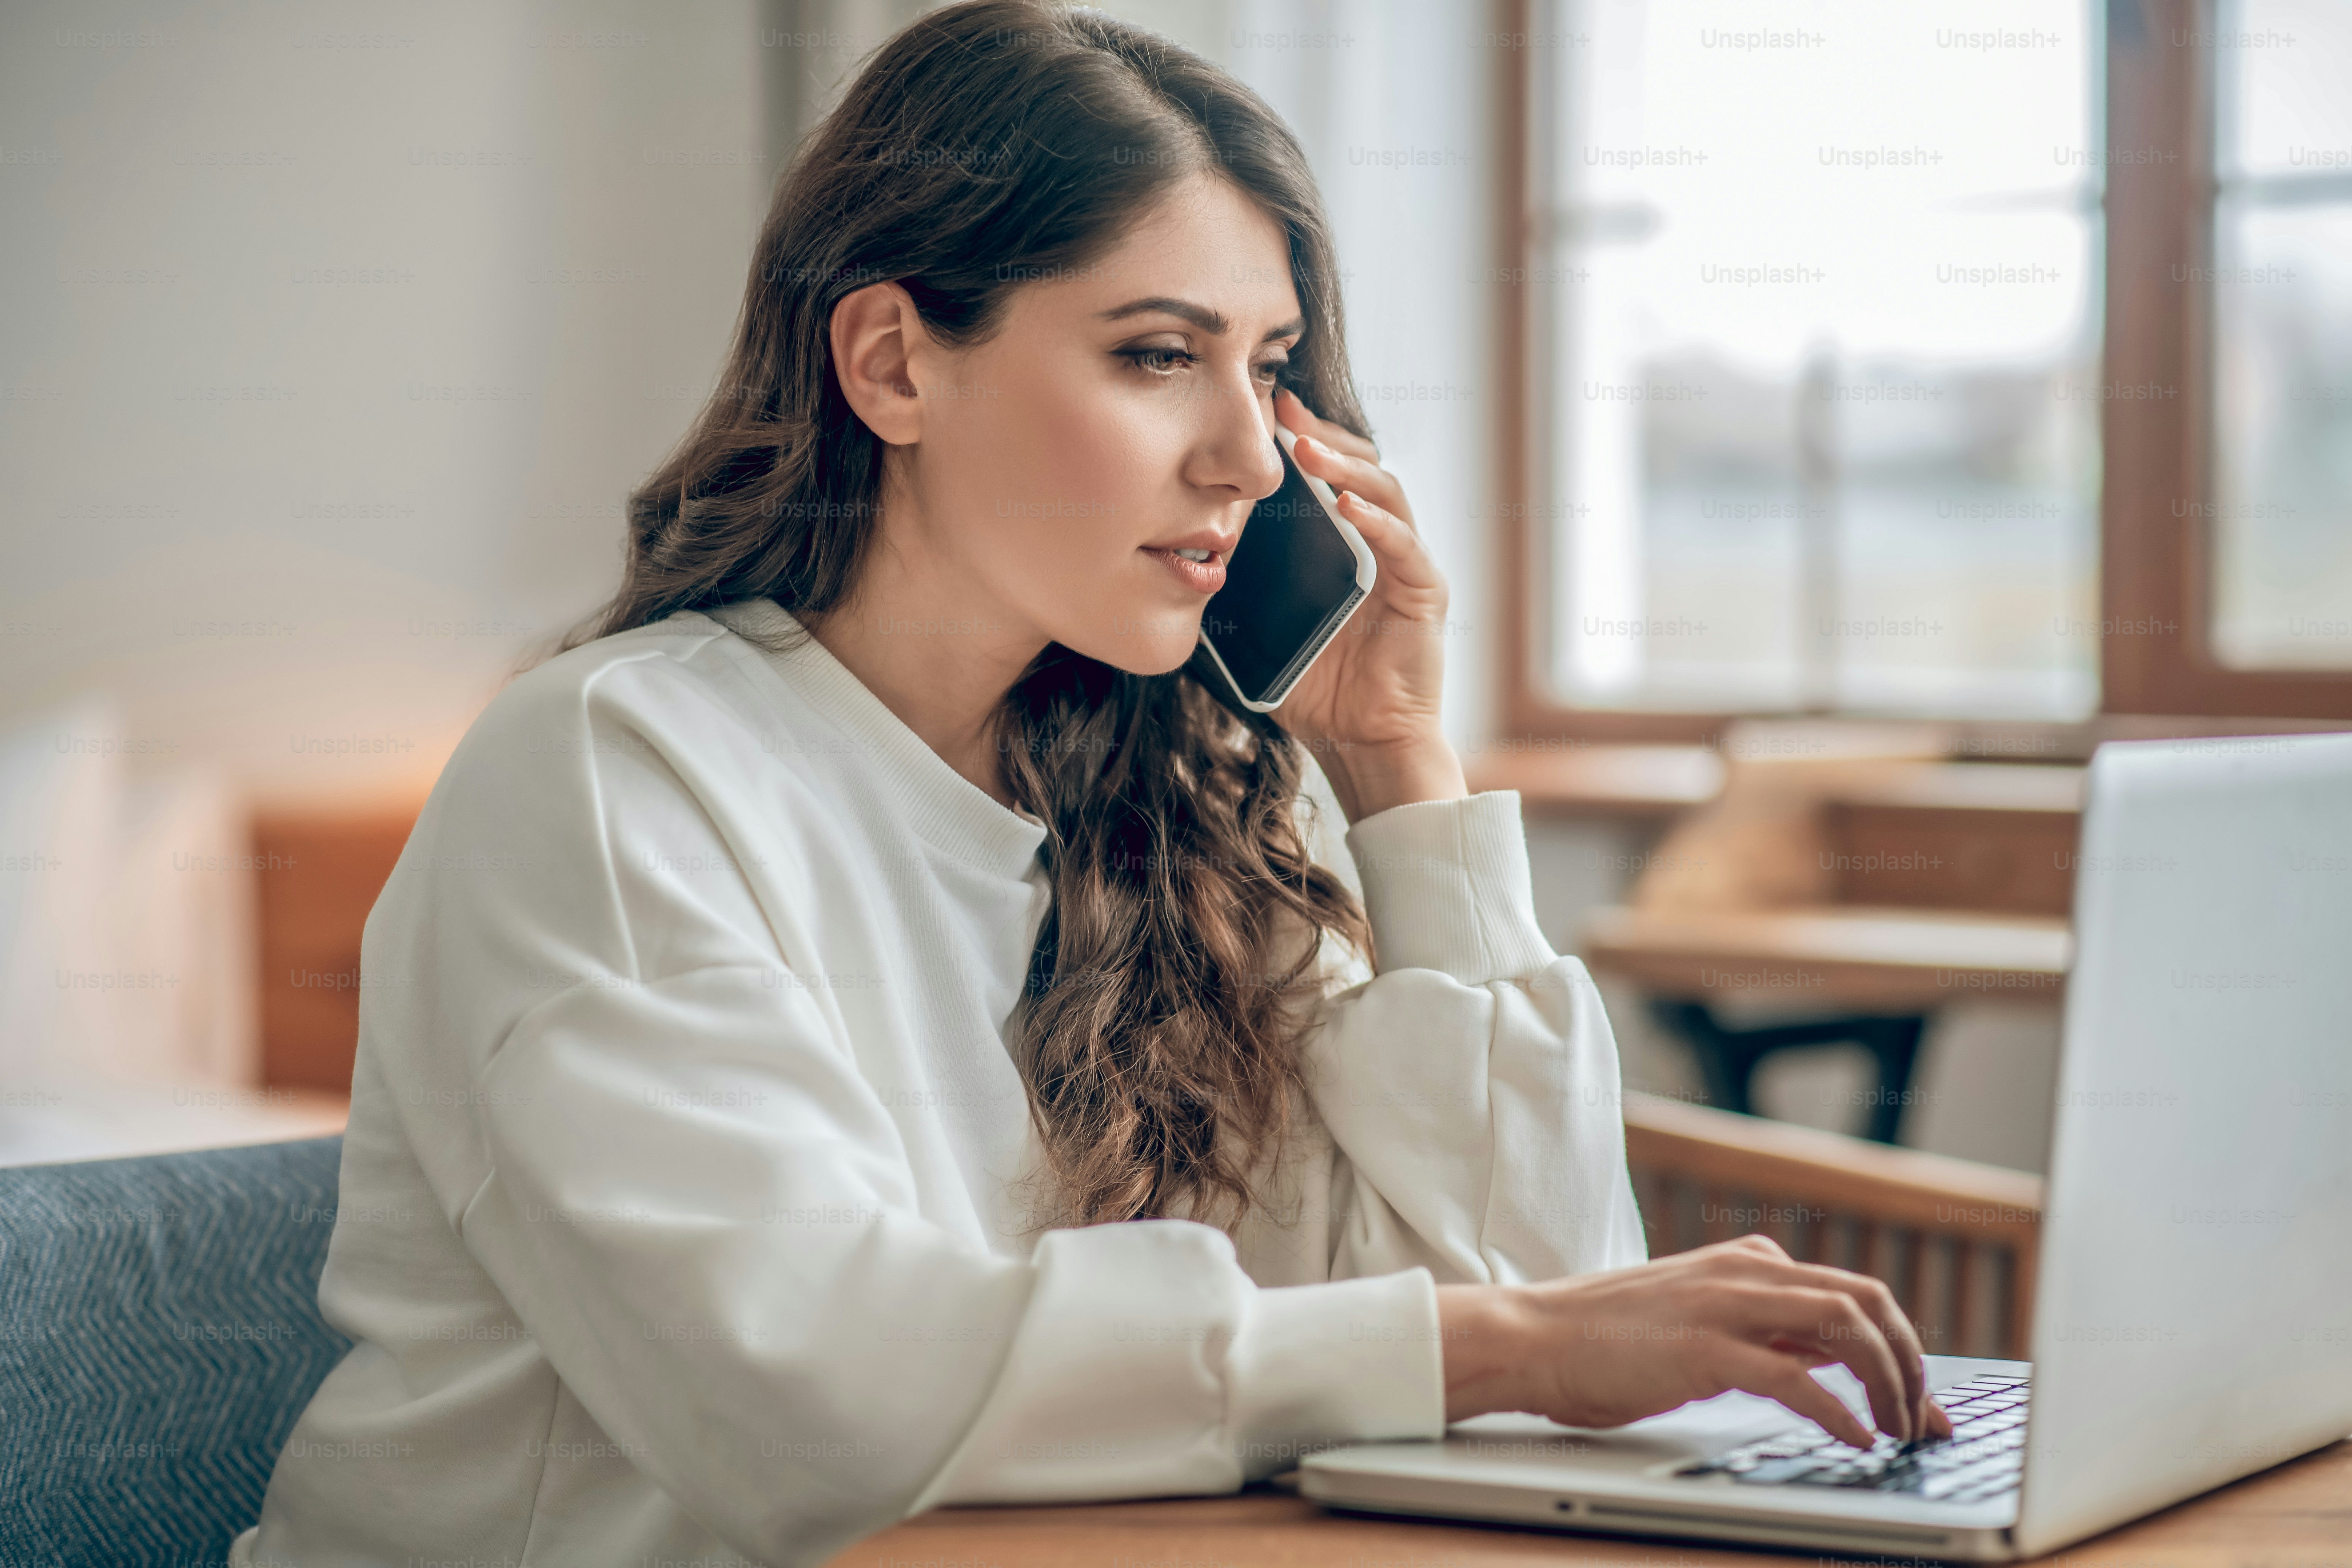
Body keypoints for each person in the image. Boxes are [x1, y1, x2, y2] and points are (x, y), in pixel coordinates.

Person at [235, 4, 1945, 1564]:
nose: (1253, 455)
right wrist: (1507, 1350)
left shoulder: (1198, 788)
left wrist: (1400, 777)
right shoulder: (616, 774)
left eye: (1268, 367)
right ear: (892, 364)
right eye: (1154, 355)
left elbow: (1544, 1304)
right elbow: (820, 1398)